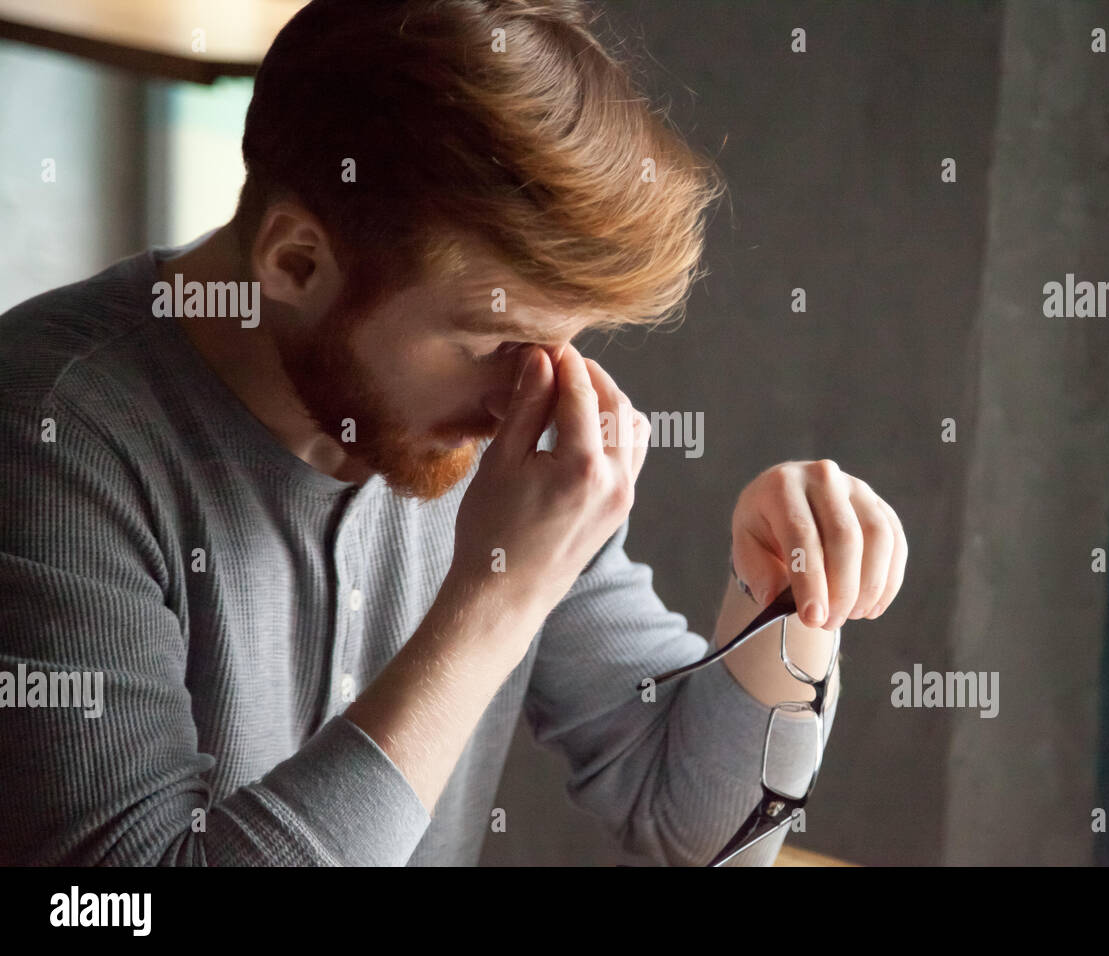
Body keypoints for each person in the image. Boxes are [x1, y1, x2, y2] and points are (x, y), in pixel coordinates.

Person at [0, 0, 904, 865]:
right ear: (295, 261)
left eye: (562, 342)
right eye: (490, 342)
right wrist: (495, 599)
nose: (531, 397)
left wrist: (783, 594)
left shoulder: (489, 437)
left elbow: (697, 821)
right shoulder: (53, 432)